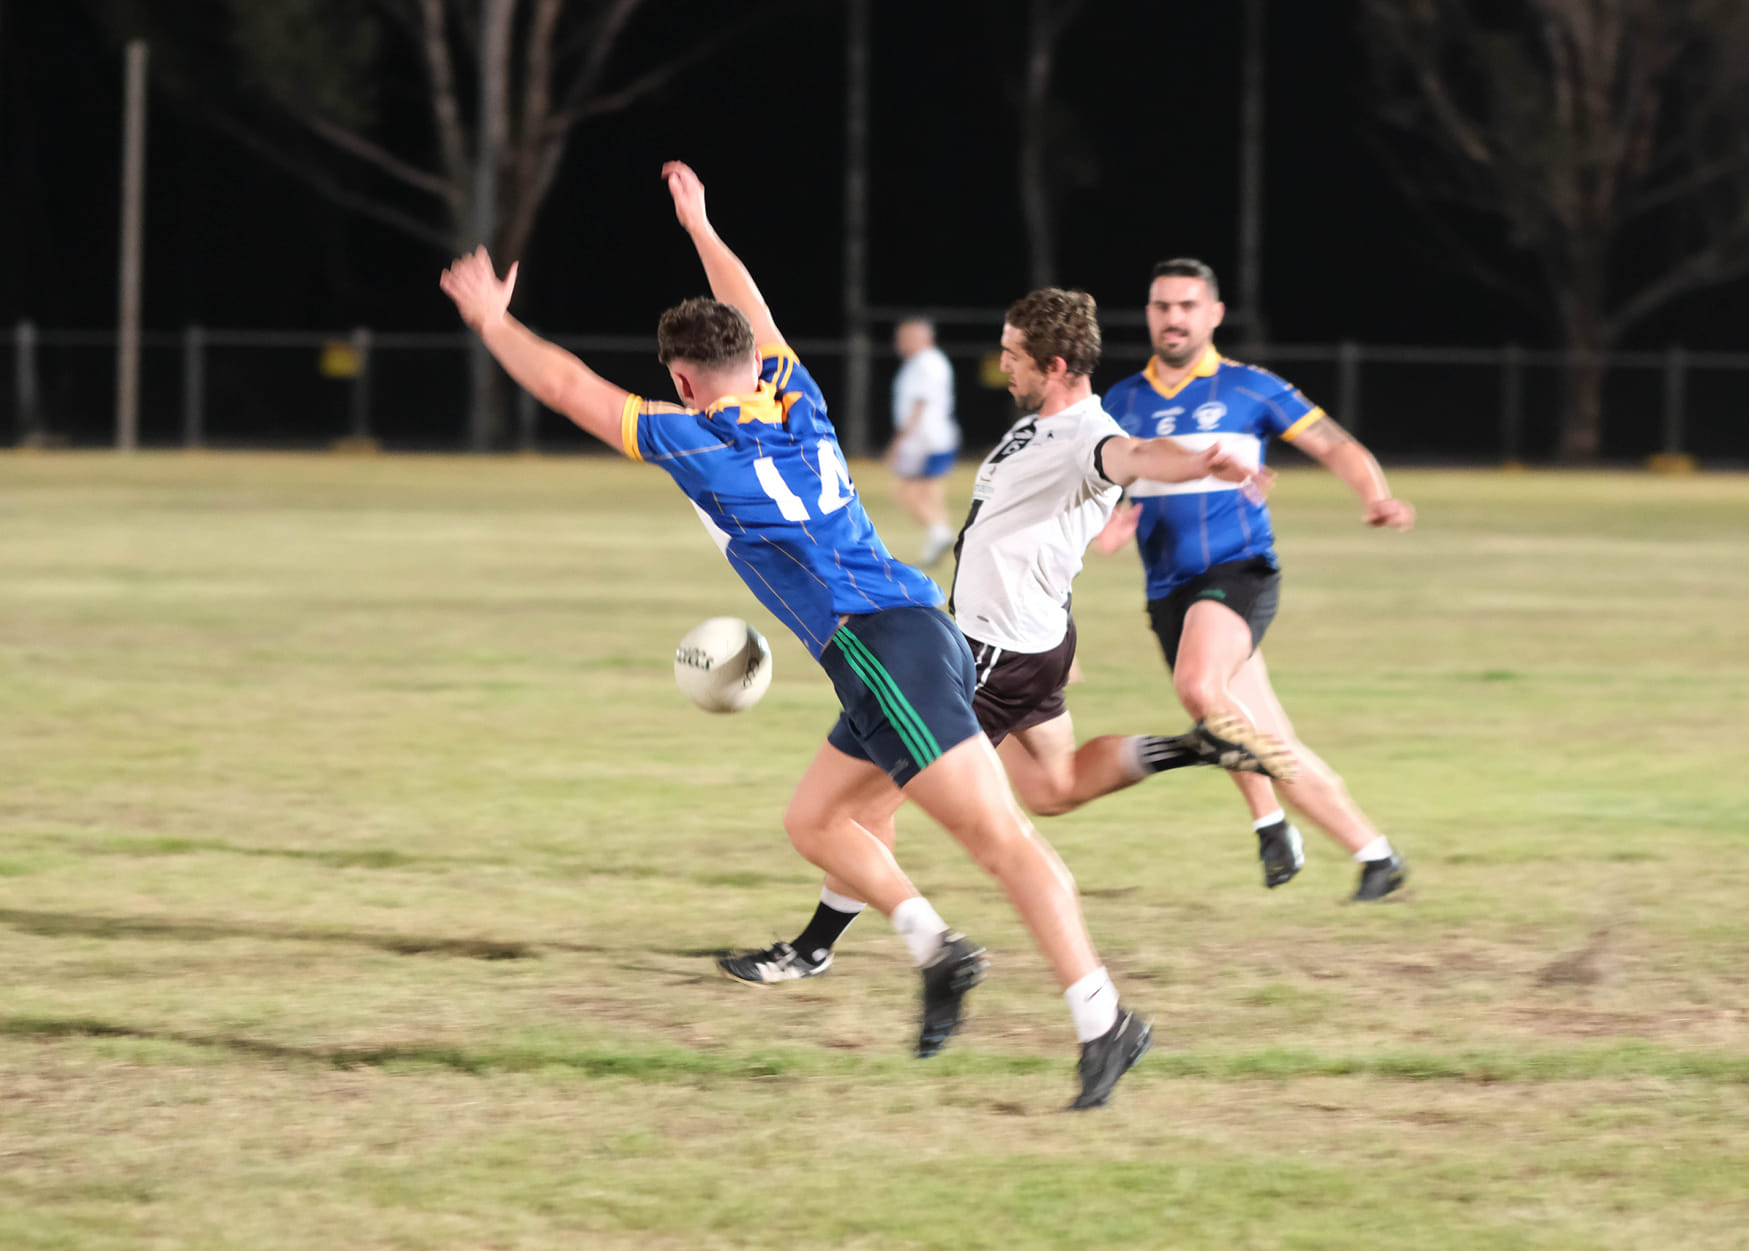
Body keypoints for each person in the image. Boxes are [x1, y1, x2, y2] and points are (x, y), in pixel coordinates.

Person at [437, 161, 1149, 1108]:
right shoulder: (793, 391)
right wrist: (698, 223)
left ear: (684, 381)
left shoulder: (698, 437)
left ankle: (1105, 1019)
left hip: (883, 647)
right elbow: (752, 308)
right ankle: (937, 949)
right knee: (816, 821)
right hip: (894, 638)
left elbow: (571, 387)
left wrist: (491, 322)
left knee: (1002, 840)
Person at [719, 287, 1295, 986]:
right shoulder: (1040, 424)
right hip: (1035, 645)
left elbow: (1141, 454)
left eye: (1012, 354)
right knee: (1053, 787)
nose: (1002, 364)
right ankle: (1192, 745)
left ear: (1054, 365)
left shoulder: (1087, 435)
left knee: (858, 807)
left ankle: (812, 949)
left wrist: (1203, 462)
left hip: (988, 654)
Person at [1097, 257, 1417, 900]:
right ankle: (1373, 855)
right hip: (1167, 589)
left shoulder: (1250, 388)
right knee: (1249, 726)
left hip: (1238, 569)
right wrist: (1101, 531)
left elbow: (1334, 443)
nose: (1174, 318)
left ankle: (1272, 824)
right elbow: (1100, 490)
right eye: (1162, 306)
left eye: (1188, 306)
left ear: (1213, 315)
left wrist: (1374, 495)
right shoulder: (1120, 401)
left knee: (1199, 685)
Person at [885, 318, 961, 568]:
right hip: (934, 437)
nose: (900, 343)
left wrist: (899, 441)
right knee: (930, 496)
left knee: (905, 493)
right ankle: (938, 539)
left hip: (926, 439)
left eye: (905, 338)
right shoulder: (927, 361)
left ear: (922, 338)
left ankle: (940, 533)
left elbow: (920, 403)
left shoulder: (925, 363)